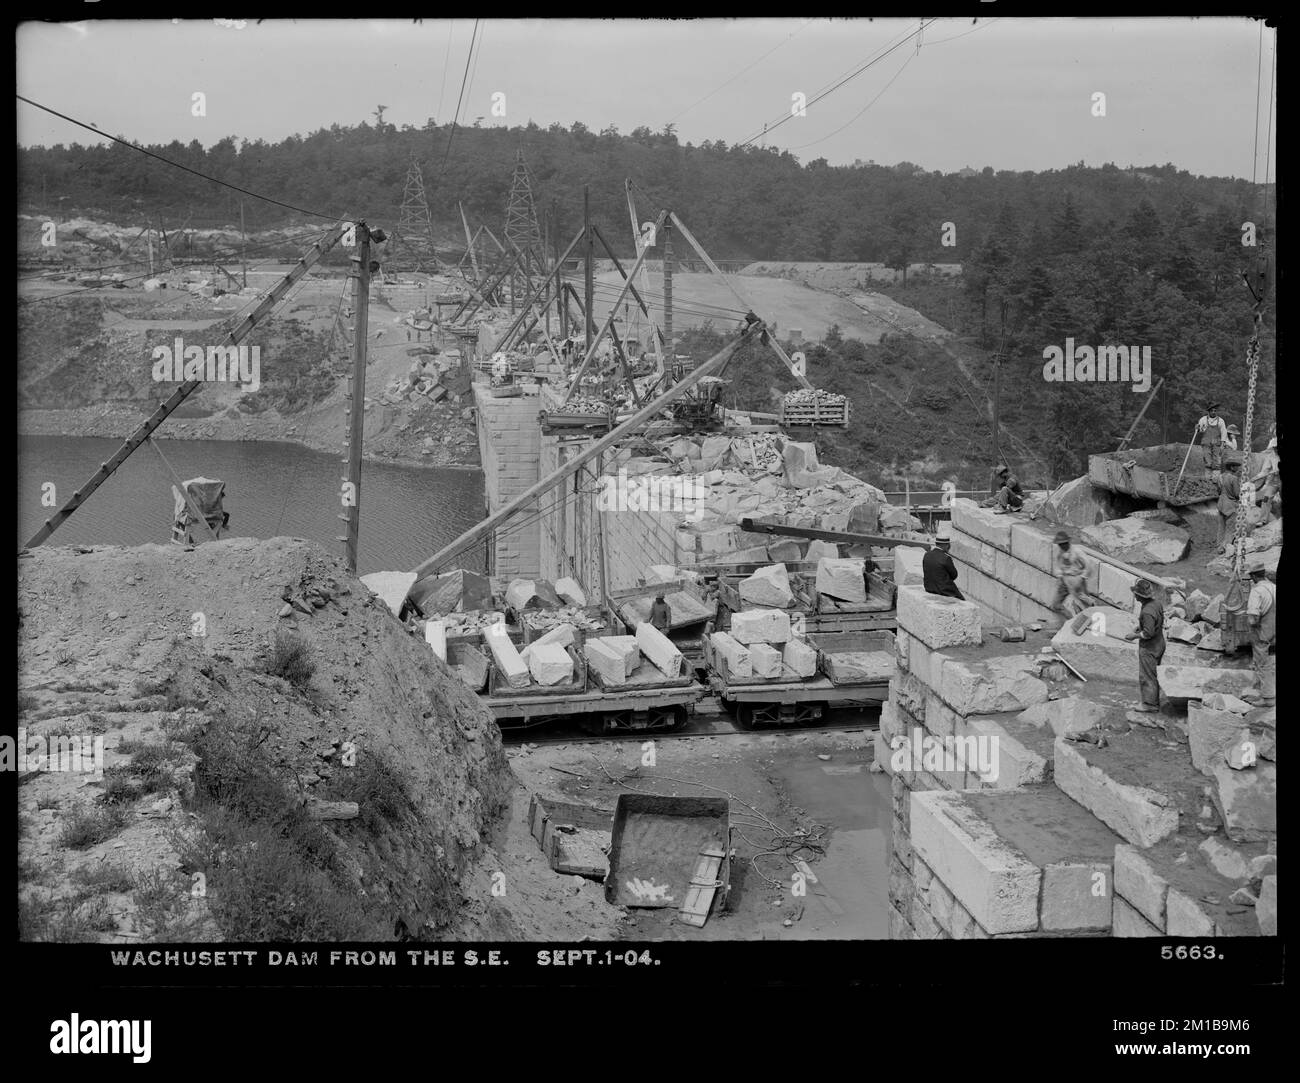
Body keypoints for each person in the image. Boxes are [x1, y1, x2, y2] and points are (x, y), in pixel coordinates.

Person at [1122, 579, 1165, 713]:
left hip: (1150, 647)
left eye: (1136, 593)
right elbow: (1154, 622)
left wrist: (1134, 636)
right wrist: (1140, 626)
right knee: (1153, 673)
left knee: (1147, 676)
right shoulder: (1155, 604)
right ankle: (1153, 700)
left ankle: (1150, 704)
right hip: (1159, 643)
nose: (1134, 595)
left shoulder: (1147, 611)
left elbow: (1148, 633)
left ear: (1141, 596)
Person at [1243, 559, 1276, 708]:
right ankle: (1267, 690)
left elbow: (1253, 618)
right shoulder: (1274, 587)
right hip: (1274, 631)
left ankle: (1268, 698)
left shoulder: (1257, 591)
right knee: (1271, 662)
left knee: (1262, 664)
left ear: (1254, 577)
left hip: (1263, 633)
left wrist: (1251, 625)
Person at [1051, 531, 1093, 616]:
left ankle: (1091, 615)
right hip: (1065, 580)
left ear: (1068, 542)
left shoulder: (1076, 551)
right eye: (1060, 544)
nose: (1062, 546)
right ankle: (1071, 619)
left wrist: (1082, 577)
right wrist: (1059, 576)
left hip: (1077, 579)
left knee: (1084, 604)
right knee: (1056, 604)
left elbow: (1088, 564)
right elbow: (1056, 566)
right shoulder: (1059, 552)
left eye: (1064, 543)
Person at [922, 524, 964, 599]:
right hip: (944, 590)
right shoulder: (946, 558)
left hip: (929, 588)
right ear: (946, 545)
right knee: (961, 599)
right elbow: (954, 575)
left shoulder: (927, 554)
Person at [1217, 454, 1242, 552]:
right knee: (1230, 528)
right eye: (1236, 466)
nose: (1238, 468)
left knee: (1221, 528)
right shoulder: (1234, 478)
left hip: (1221, 504)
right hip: (1230, 505)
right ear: (1232, 467)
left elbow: (1218, 491)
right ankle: (1225, 547)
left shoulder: (1220, 477)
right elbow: (1237, 494)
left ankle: (1219, 547)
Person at [1196, 403, 1229, 474]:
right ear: (1209, 411)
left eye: (1215, 410)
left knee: (1216, 461)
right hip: (1206, 442)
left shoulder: (1220, 421)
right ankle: (1208, 479)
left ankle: (1215, 478)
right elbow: (1200, 430)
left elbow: (1224, 432)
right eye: (1212, 411)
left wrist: (1223, 443)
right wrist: (1198, 428)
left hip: (1216, 443)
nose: (1213, 412)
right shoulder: (1203, 419)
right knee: (1207, 461)